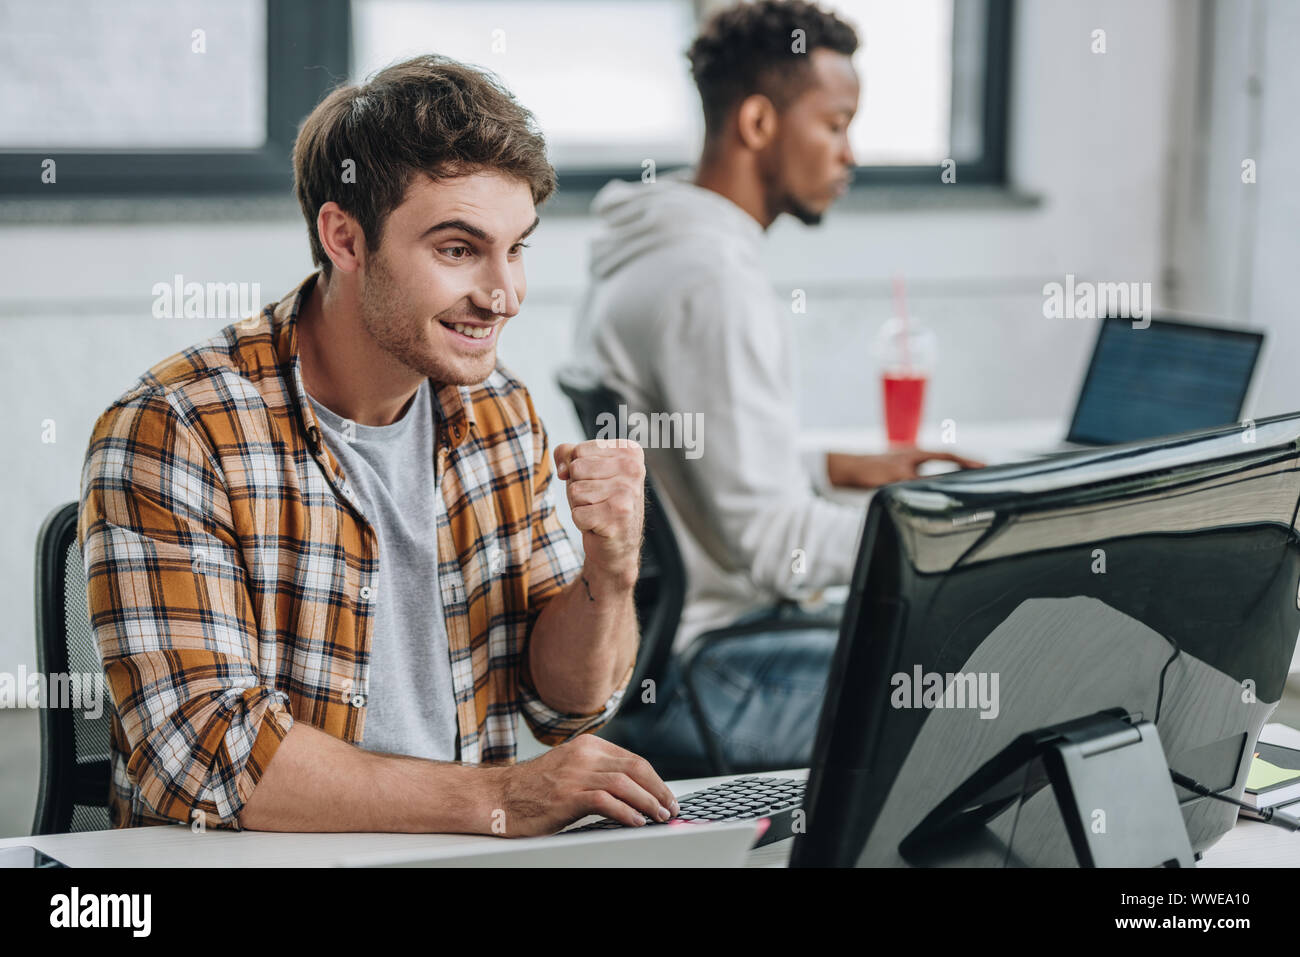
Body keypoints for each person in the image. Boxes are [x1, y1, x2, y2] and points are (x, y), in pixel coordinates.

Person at [78, 55, 680, 836]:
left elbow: (562, 702)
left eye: (518, 247)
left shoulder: (499, 413)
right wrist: (500, 798)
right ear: (345, 238)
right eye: (459, 250)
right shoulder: (178, 429)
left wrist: (611, 570)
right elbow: (208, 752)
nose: (504, 294)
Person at [574, 1, 981, 772]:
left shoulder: (648, 251)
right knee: (996, 691)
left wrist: (831, 469)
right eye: (835, 124)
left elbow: (696, 458)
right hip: (718, 670)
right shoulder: (713, 283)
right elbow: (772, 545)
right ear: (759, 123)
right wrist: (944, 529)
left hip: (672, 652)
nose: (849, 153)